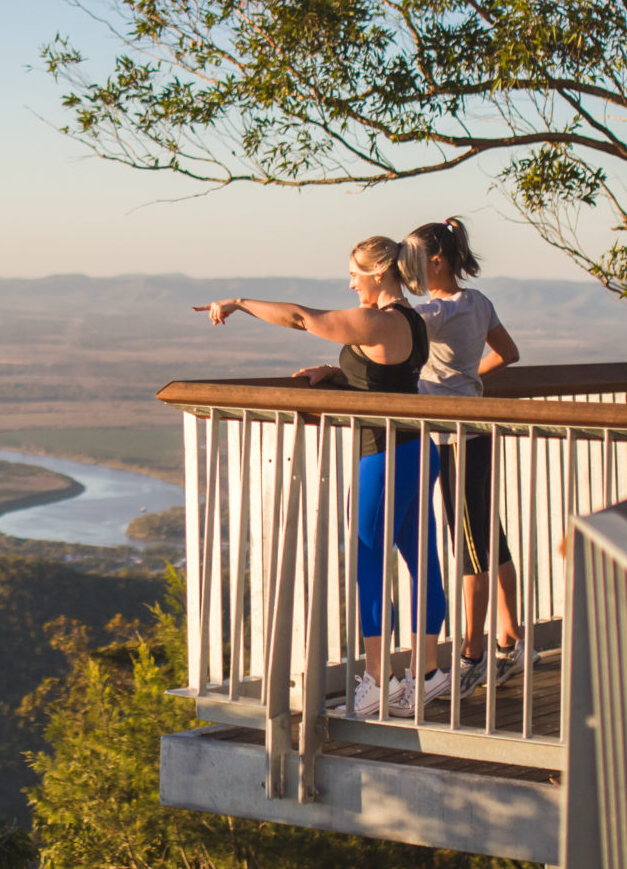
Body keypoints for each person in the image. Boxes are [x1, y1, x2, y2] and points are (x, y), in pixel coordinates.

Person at [196, 236, 451, 719]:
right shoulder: (412, 321)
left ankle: (378, 681)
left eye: (354, 273)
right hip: (419, 449)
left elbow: (301, 318)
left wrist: (240, 302)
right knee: (422, 563)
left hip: (384, 455)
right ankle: (426, 673)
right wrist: (337, 377)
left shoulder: (378, 319)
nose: (350, 282)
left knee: (370, 563)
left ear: (379, 272)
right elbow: (386, 378)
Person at [403, 217, 524, 695]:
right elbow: (508, 353)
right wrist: (468, 380)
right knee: (490, 538)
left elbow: (381, 340)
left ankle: (473, 654)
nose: (408, 270)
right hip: (475, 429)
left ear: (435, 261)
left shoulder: (434, 313)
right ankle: (511, 637)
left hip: (453, 439)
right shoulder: (478, 302)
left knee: (470, 549)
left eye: (413, 261)